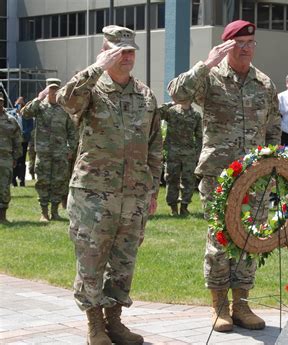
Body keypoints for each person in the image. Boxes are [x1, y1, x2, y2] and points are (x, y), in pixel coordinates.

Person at [168, 19, 280, 332]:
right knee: (221, 237)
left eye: (250, 44)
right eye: (239, 44)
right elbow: (178, 93)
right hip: (219, 173)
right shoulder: (211, 79)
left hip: (255, 175)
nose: (246, 49)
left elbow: (273, 126)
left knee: (248, 237)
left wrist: (272, 166)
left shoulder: (264, 83)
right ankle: (219, 306)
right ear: (227, 46)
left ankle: (241, 303)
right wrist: (206, 64)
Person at [56, 25, 162, 345]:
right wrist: (96, 67)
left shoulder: (145, 95)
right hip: (93, 194)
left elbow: (154, 146)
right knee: (91, 259)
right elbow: (66, 99)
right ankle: (94, 325)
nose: (126, 56)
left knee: (124, 261)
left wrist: (153, 190)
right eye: (119, 50)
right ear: (105, 50)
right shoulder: (90, 88)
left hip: (133, 195)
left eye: (130, 51)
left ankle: (114, 321)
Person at [22, 78, 77, 222]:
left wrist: (71, 149)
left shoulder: (64, 109)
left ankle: (55, 211)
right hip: (43, 152)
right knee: (43, 181)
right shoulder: (40, 107)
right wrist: (38, 98)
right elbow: (25, 113)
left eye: (56, 89)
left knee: (59, 181)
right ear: (46, 91)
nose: (53, 92)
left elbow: (72, 131)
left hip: (60, 152)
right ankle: (44, 213)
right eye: (51, 90)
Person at [161, 101, 202, 216]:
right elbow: (158, 113)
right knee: (171, 179)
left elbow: (199, 136)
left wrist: (198, 154)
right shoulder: (171, 111)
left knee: (188, 180)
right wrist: (172, 102)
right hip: (173, 152)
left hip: (189, 154)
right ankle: (173, 208)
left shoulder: (196, 115)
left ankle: (184, 206)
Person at [0, 94, 22, 223]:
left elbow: (18, 141)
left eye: (1, 102)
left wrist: (15, 158)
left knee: (4, 187)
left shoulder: (11, 120)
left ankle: (2, 215)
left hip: (5, 158)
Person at [12, 96, 34, 187]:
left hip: (23, 141)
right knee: (14, 160)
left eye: (21, 104)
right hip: (14, 142)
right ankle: (13, 180)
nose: (19, 106)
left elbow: (30, 127)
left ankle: (22, 180)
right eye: (18, 104)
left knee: (22, 161)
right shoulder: (11, 115)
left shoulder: (27, 116)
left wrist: (23, 133)